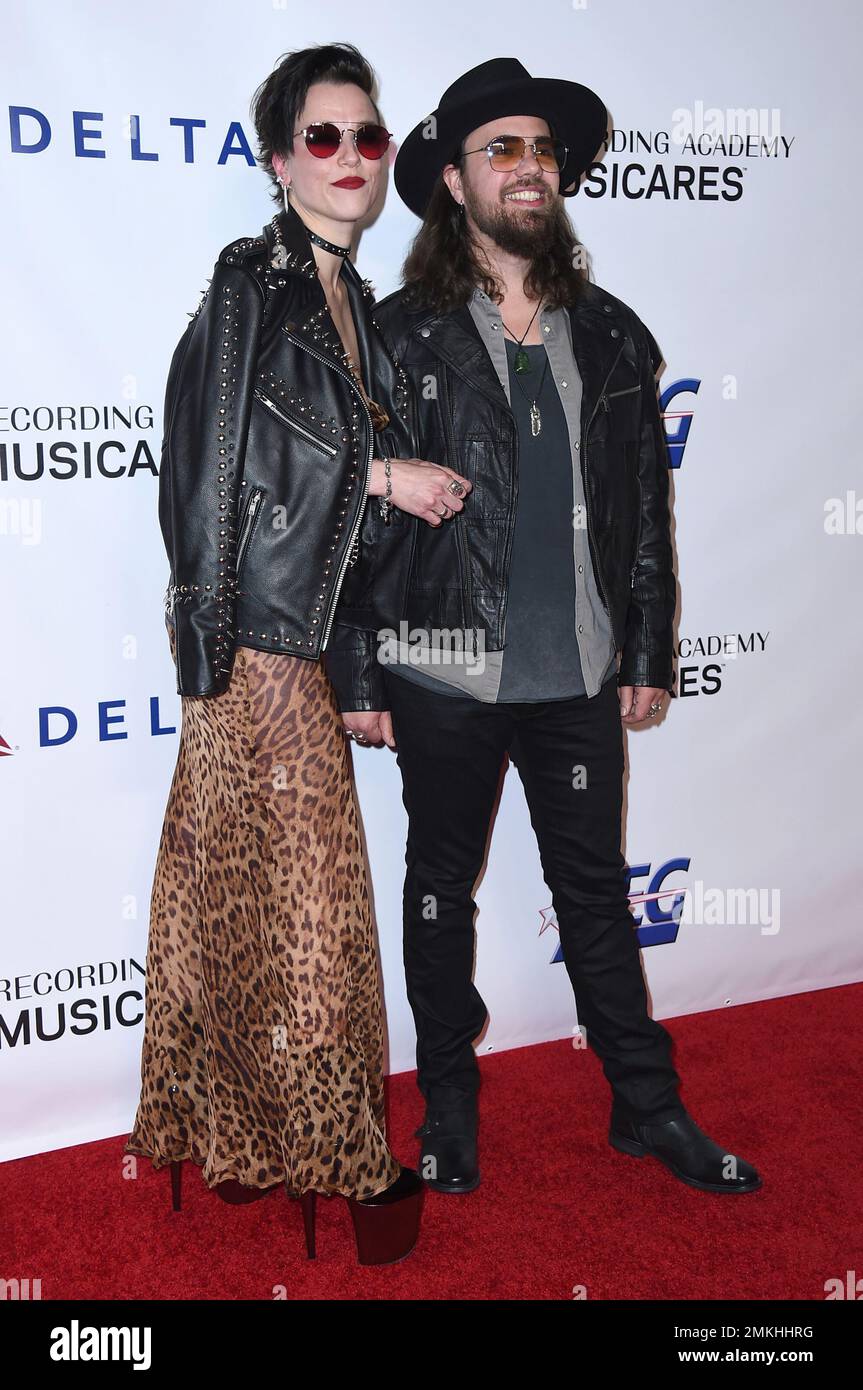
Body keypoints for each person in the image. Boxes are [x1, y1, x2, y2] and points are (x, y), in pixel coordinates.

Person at [323, 58, 761, 1198]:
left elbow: (640, 512)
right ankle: (449, 1109)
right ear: (455, 184)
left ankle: (646, 1108)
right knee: (436, 891)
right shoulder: (397, 332)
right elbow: (351, 511)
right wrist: (359, 662)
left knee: (596, 901)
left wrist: (650, 647)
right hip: (440, 668)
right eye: (499, 151)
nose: (528, 167)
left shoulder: (608, 332)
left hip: (573, 668)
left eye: (540, 150)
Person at [123, 43, 471, 1266]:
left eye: (368, 138)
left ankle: (230, 1141)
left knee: (234, 906)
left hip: (288, 654)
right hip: (253, 649)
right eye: (322, 138)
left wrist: (357, 671)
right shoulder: (251, 287)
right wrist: (373, 471)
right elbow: (208, 479)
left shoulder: (348, 307)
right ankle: (348, 1159)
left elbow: (337, 535)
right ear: (278, 163)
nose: (351, 161)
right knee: (316, 922)